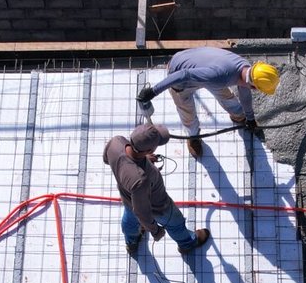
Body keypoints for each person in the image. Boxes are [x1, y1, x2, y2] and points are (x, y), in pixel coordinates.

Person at [136, 47, 280, 158]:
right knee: (187, 111)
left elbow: (244, 92)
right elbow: (183, 75)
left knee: (228, 98)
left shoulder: (245, 68)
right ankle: (193, 137)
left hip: (202, 67)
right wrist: (154, 91)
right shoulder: (218, 76)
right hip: (180, 75)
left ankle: (239, 116)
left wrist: (250, 118)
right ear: (254, 84)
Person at [103, 123, 211, 257]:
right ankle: (187, 243)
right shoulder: (140, 179)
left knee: (130, 220)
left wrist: (142, 159)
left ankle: (131, 243)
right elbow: (142, 212)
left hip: (127, 199)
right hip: (158, 206)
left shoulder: (116, 142)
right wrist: (155, 231)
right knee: (176, 223)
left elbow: (107, 159)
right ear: (149, 150)